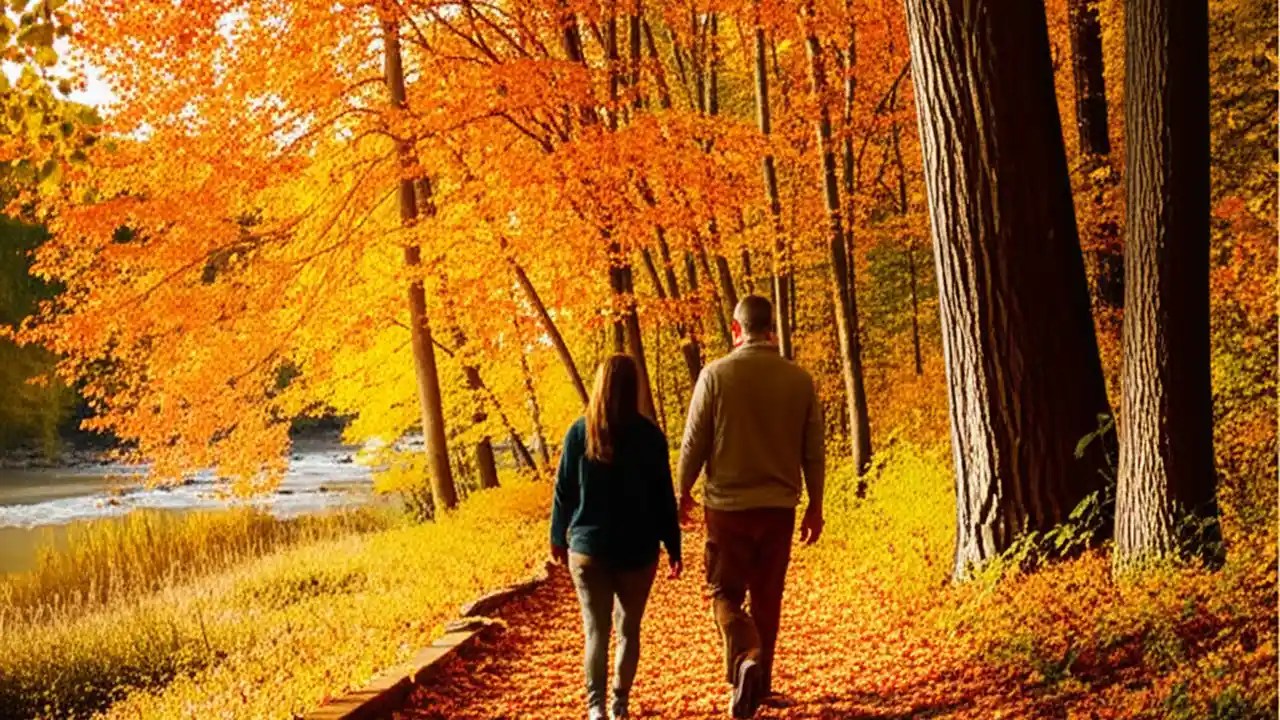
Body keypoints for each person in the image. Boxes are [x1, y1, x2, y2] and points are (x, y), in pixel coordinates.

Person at [677, 294, 825, 719]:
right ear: (771, 330)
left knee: (724, 593)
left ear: (736, 331)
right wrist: (815, 504)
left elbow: (695, 442)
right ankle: (758, 682)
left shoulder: (714, 376)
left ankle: (748, 660)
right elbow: (813, 451)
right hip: (779, 509)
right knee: (767, 598)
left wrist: (682, 491)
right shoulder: (799, 380)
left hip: (726, 509)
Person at [551, 354, 683, 720]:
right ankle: (618, 703)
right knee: (628, 630)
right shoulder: (649, 437)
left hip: (588, 550)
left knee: (596, 631)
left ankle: (595, 707)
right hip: (638, 551)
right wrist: (674, 546)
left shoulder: (580, 432)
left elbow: (563, 491)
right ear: (634, 387)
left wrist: (557, 537)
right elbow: (662, 497)